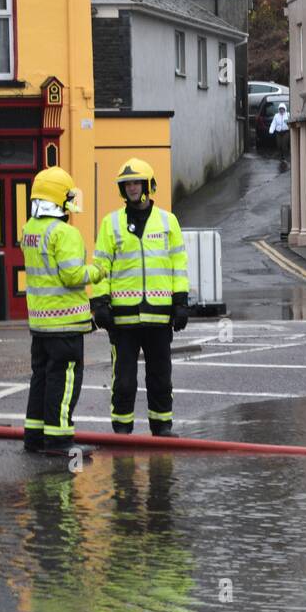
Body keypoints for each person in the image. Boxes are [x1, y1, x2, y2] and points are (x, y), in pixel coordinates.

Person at [92, 158, 190, 437]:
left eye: (136, 182)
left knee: (160, 377)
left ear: (147, 185)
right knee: (123, 380)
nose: (132, 188)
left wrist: (181, 303)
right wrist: (100, 304)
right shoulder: (110, 223)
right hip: (123, 319)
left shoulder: (167, 221)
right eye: (127, 184)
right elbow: (101, 266)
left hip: (160, 317)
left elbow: (178, 265)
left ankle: (162, 427)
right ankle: (122, 429)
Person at [21, 167, 103, 456]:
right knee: (64, 380)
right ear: (60, 198)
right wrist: (97, 271)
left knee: (41, 377)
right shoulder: (65, 233)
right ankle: (59, 440)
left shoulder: (29, 230)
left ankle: (35, 436)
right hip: (65, 323)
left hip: (40, 324)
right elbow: (72, 276)